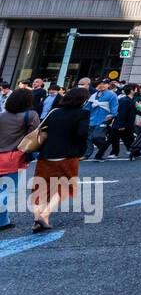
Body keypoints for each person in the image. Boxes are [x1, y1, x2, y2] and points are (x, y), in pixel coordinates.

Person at [30, 87, 89, 233]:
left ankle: (37, 219)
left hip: (46, 154)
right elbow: (82, 134)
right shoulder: (82, 113)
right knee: (65, 187)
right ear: (83, 100)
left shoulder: (54, 112)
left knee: (41, 188)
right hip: (67, 155)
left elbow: (43, 129)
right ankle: (45, 215)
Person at [0, 88, 39, 231]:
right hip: (13, 157)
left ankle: (3, 222)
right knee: (6, 191)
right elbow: (35, 136)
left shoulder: (2, 115)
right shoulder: (30, 115)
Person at [85, 78, 117, 158]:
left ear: (108, 85)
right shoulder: (94, 95)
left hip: (104, 119)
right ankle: (91, 154)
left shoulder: (112, 95)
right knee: (89, 138)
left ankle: (103, 149)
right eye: (100, 84)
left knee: (96, 137)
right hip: (92, 119)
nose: (101, 85)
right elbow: (87, 107)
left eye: (104, 84)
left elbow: (114, 106)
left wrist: (112, 115)